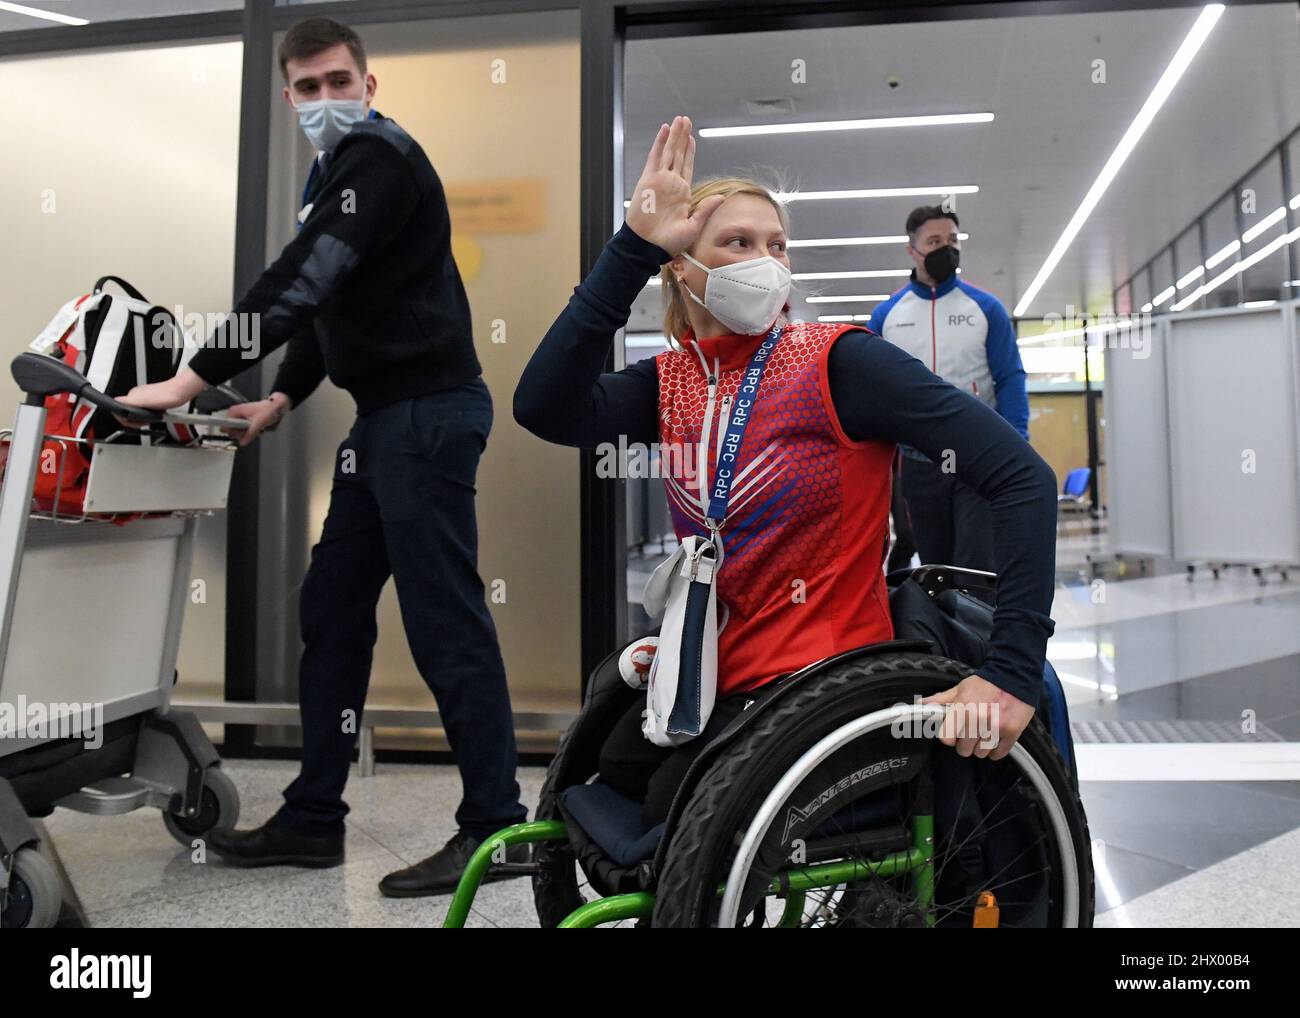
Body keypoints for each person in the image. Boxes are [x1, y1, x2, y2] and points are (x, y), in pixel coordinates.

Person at [512, 117, 1058, 828]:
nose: (764, 261)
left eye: (776, 245)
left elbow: (1023, 478)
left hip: (822, 683)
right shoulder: (673, 380)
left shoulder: (842, 362)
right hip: (719, 672)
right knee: (608, 766)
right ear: (682, 264)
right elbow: (541, 406)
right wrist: (630, 249)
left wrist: (1011, 675)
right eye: (737, 244)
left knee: (664, 806)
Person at [118, 16, 527, 897]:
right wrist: (283, 394)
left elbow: (301, 280)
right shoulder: (333, 175)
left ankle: (499, 826)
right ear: (288, 95)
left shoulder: (377, 157)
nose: (326, 99)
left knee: (445, 621)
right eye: (308, 87)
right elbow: (328, 301)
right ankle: (313, 819)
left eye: (340, 81)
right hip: (383, 422)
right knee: (332, 608)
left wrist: (187, 380)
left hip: (426, 417)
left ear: (369, 86)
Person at [866, 207, 1030, 572]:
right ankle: (938, 630)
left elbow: (1010, 379)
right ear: (913, 250)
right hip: (919, 462)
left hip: (978, 457)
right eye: (935, 242)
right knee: (934, 566)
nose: (947, 249)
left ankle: (976, 629)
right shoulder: (887, 315)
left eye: (952, 241)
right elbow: (871, 391)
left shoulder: (986, 309)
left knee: (976, 564)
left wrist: (1016, 444)